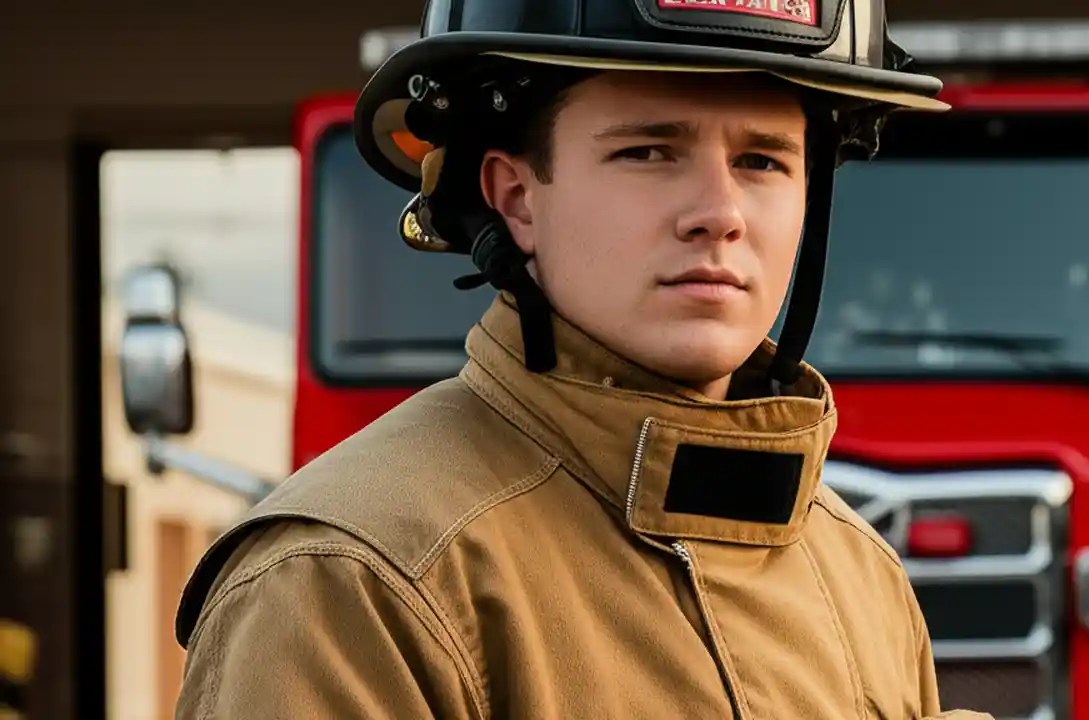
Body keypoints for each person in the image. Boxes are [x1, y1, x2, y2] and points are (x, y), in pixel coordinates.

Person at [174, 0, 994, 717]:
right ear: (516, 198)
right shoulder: (352, 581)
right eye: (648, 152)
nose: (720, 214)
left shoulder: (855, 573)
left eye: (763, 161)